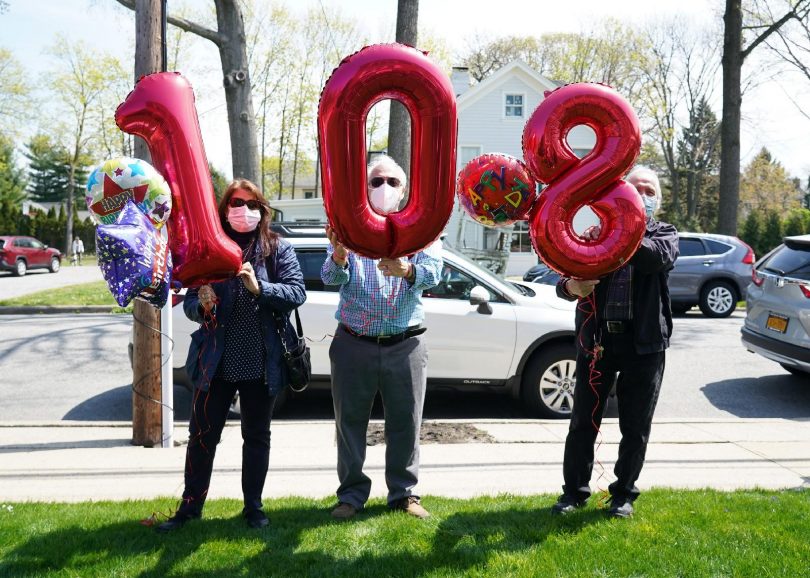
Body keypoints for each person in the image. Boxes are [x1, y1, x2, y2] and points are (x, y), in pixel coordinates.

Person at [156, 179, 306, 533]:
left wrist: (260, 288)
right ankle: (190, 508)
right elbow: (190, 302)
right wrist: (201, 303)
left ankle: (253, 508)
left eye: (253, 205)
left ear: (263, 211)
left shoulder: (275, 248)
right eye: (237, 203)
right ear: (224, 209)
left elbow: (297, 292)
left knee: (256, 437)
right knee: (202, 436)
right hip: (215, 361)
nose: (245, 210)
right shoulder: (208, 249)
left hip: (261, 361)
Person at [550, 166, 679, 519]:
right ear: (620, 193)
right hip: (598, 344)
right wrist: (572, 287)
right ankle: (573, 493)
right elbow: (563, 280)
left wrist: (621, 231)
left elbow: (655, 259)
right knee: (582, 423)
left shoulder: (664, 234)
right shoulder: (593, 235)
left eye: (649, 191)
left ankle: (623, 495)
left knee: (635, 426)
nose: (642, 195)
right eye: (635, 189)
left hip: (645, 346)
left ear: (658, 201)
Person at [322, 154, 443, 520]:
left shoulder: (422, 229)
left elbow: (434, 274)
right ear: (364, 188)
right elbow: (331, 278)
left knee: (406, 422)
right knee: (349, 424)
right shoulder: (347, 227)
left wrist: (408, 271)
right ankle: (351, 496)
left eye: (393, 182)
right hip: (354, 343)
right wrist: (340, 256)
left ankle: (404, 494)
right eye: (376, 181)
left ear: (404, 190)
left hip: (405, 344)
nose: (384, 188)